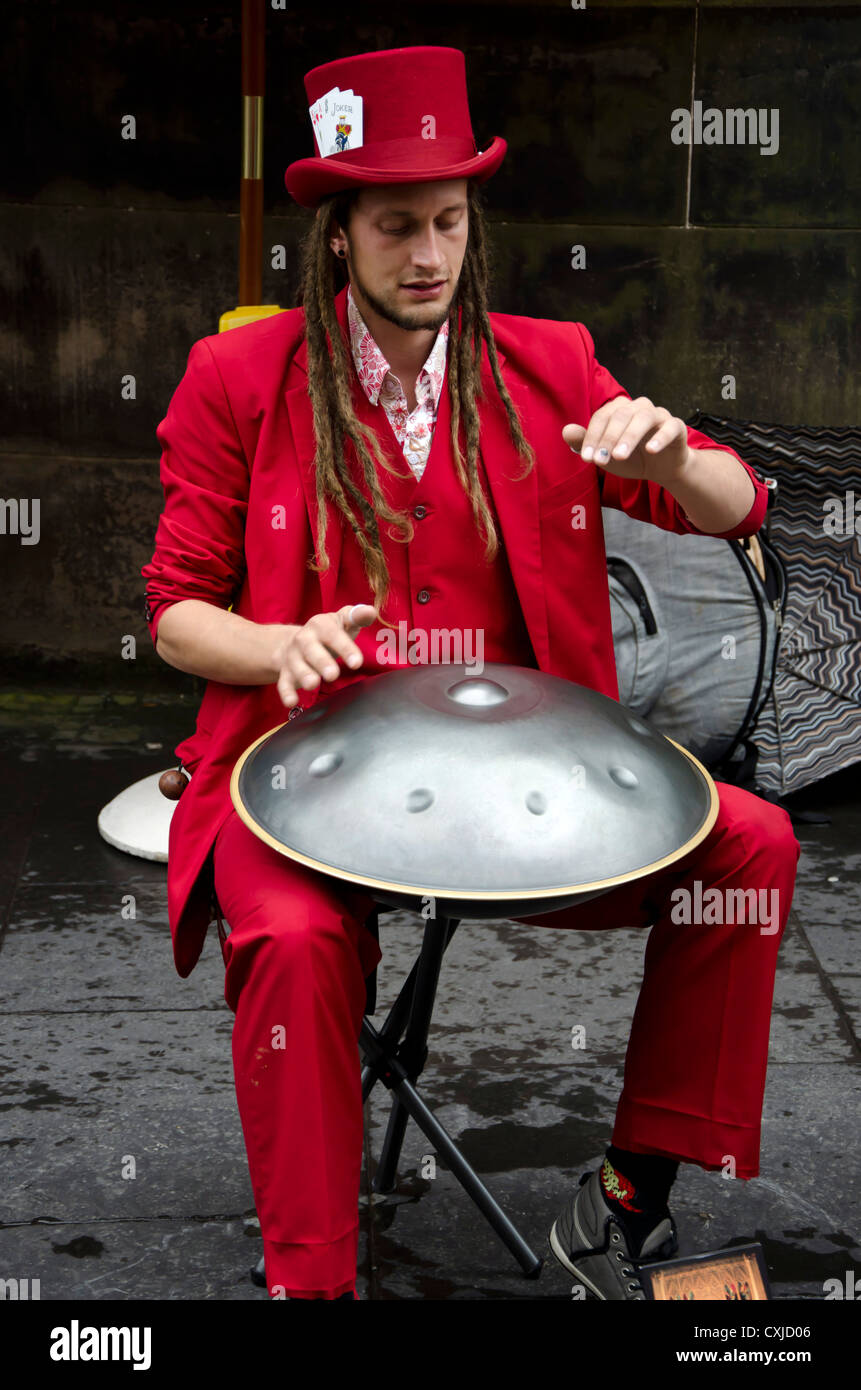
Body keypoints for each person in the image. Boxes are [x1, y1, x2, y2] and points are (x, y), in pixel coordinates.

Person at [142, 45, 801, 1301]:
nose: (429, 253)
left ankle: (623, 1201)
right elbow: (176, 613)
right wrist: (278, 648)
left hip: (517, 791)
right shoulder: (240, 378)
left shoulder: (546, 365)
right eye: (397, 225)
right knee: (288, 940)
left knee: (752, 846)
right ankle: (314, 1279)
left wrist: (669, 452)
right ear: (339, 234)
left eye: (450, 220)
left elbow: (741, 503)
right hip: (297, 776)